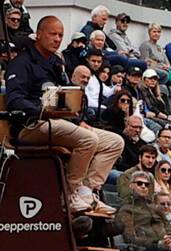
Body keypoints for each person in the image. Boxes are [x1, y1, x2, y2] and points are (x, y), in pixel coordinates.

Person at [8, 16, 123, 215]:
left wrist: (79, 121)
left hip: (61, 122)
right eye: (52, 34)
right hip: (31, 125)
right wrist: (43, 111)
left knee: (114, 142)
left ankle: (87, 192)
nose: (57, 39)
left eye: (60, 35)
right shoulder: (22, 62)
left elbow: (67, 97)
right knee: (88, 139)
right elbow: (15, 100)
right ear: (39, 34)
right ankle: (70, 195)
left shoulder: (56, 62)